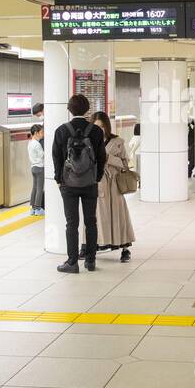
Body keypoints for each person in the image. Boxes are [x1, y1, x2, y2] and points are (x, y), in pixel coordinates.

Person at [51, 94, 106, 273]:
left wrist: (59, 179)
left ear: (69, 109)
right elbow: (101, 157)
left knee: (71, 223)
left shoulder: (61, 131)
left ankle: (72, 262)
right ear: (87, 109)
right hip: (90, 183)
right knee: (91, 221)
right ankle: (90, 261)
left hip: (68, 184)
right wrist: (96, 178)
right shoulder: (96, 131)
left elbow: (56, 157)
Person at [91, 111, 135, 263]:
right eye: (96, 127)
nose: (99, 130)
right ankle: (93, 246)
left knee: (119, 215)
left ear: (107, 127)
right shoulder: (88, 142)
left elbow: (125, 164)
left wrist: (109, 158)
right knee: (97, 216)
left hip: (115, 185)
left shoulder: (118, 141)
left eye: (102, 126)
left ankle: (125, 248)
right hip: (98, 184)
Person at [27, 123, 45, 216]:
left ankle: (32, 208)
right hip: (39, 168)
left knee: (34, 188)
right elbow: (42, 155)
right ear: (36, 133)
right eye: (41, 132)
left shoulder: (30, 143)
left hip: (33, 167)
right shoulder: (37, 144)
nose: (43, 134)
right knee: (40, 189)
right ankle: (38, 208)